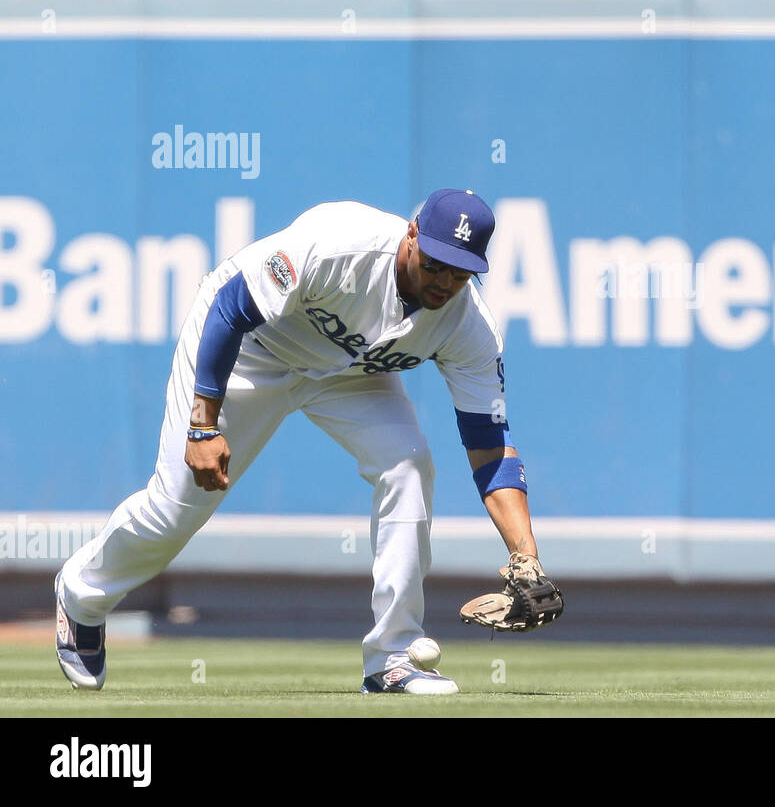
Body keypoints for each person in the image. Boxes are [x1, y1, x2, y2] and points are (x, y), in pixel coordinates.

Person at [56, 189, 554, 695]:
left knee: (408, 465)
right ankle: (82, 594)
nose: (445, 281)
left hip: (348, 374)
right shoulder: (342, 246)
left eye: (460, 270)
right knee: (175, 509)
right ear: (411, 234)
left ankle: (393, 656)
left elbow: (489, 445)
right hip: (251, 347)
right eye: (435, 262)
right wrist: (203, 425)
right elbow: (231, 309)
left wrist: (525, 555)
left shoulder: (470, 327)